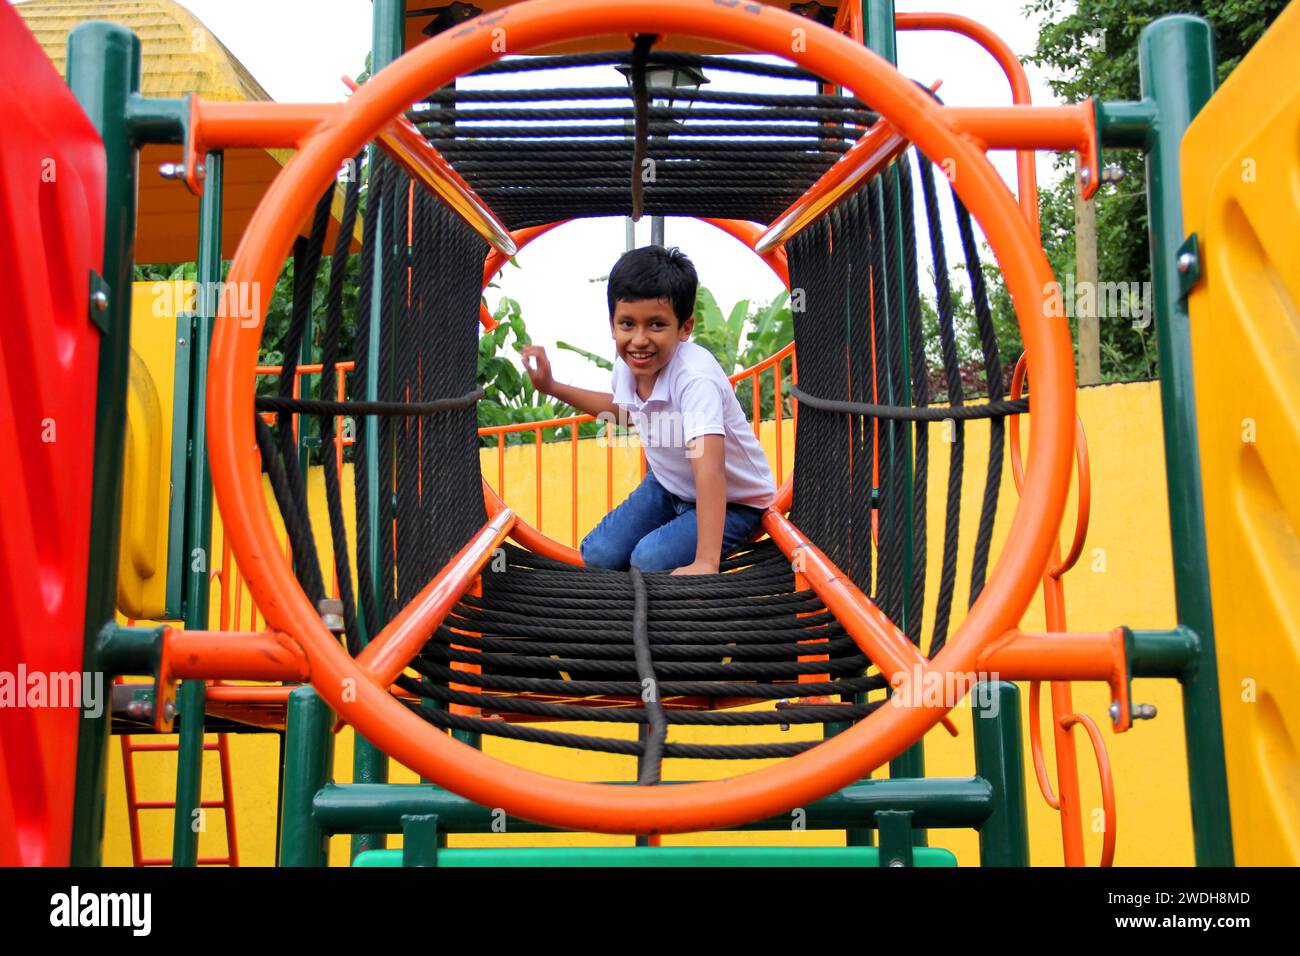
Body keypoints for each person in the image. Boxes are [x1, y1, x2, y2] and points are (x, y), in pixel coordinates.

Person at [521, 245, 775, 575]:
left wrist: (706, 561)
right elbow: (624, 412)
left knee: (649, 560)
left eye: (656, 325)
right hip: (668, 487)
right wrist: (551, 387)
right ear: (612, 325)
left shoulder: (695, 379)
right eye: (627, 324)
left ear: (684, 328)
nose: (639, 340)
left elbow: (710, 471)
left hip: (733, 501)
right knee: (599, 553)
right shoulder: (628, 367)